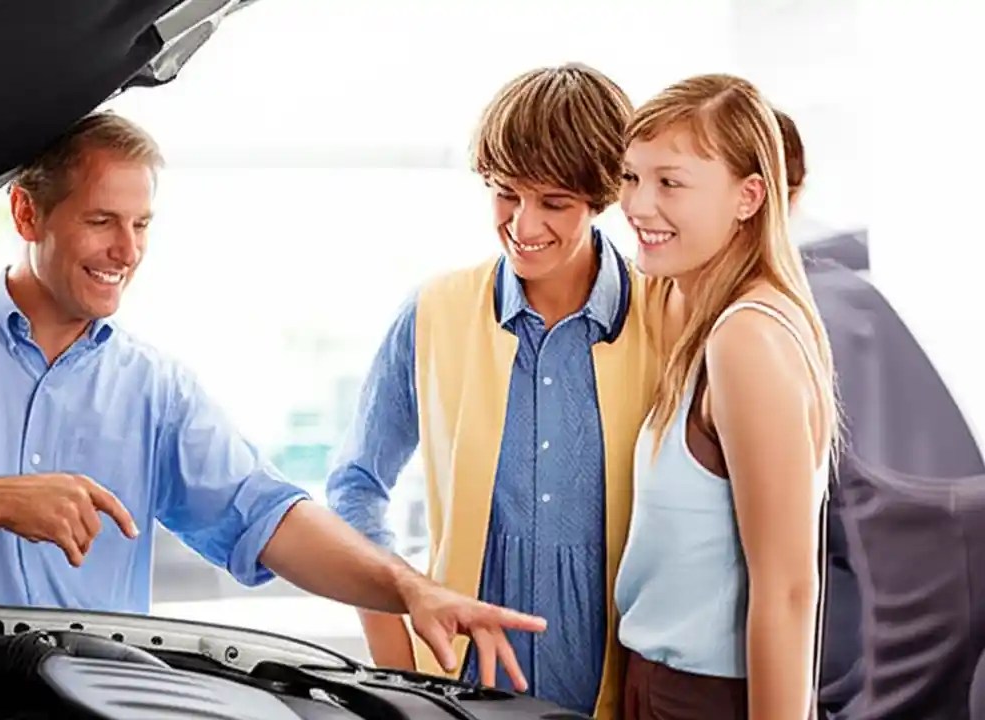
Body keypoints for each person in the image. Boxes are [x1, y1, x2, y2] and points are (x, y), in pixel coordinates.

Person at [0, 111, 547, 687]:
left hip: (93, 707)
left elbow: (266, 516)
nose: (128, 251)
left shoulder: (155, 389)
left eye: (142, 224)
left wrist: (410, 590)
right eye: (103, 221)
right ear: (26, 214)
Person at [326, 64, 658, 718]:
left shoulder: (669, 321)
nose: (523, 224)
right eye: (506, 193)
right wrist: (398, 664)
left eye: (554, 202)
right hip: (454, 697)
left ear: (604, 197)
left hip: (618, 697)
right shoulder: (432, 314)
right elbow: (355, 487)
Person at [614, 74, 837, 719]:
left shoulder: (747, 339)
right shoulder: (687, 303)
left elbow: (790, 589)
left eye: (670, 182)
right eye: (631, 178)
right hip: (655, 684)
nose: (637, 205)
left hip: (701, 698)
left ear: (749, 197)